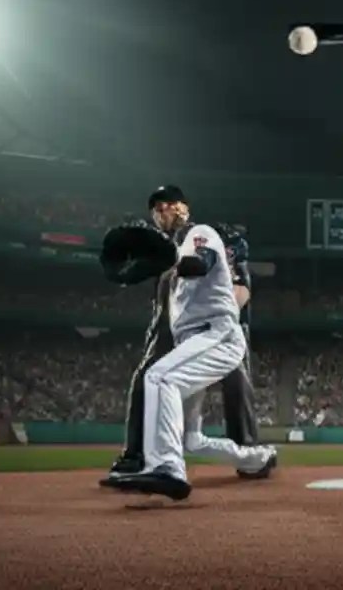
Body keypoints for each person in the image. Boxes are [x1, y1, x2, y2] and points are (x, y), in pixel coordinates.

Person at [100, 185, 276, 498]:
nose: (163, 210)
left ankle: (167, 468)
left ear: (184, 208)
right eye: (157, 207)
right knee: (190, 440)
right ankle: (257, 459)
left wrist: (168, 261)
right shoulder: (167, 258)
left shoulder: (201, 233)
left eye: (169, 204)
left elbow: (199, 265)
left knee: (158, 376)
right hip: (194, 342)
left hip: (217, 334)